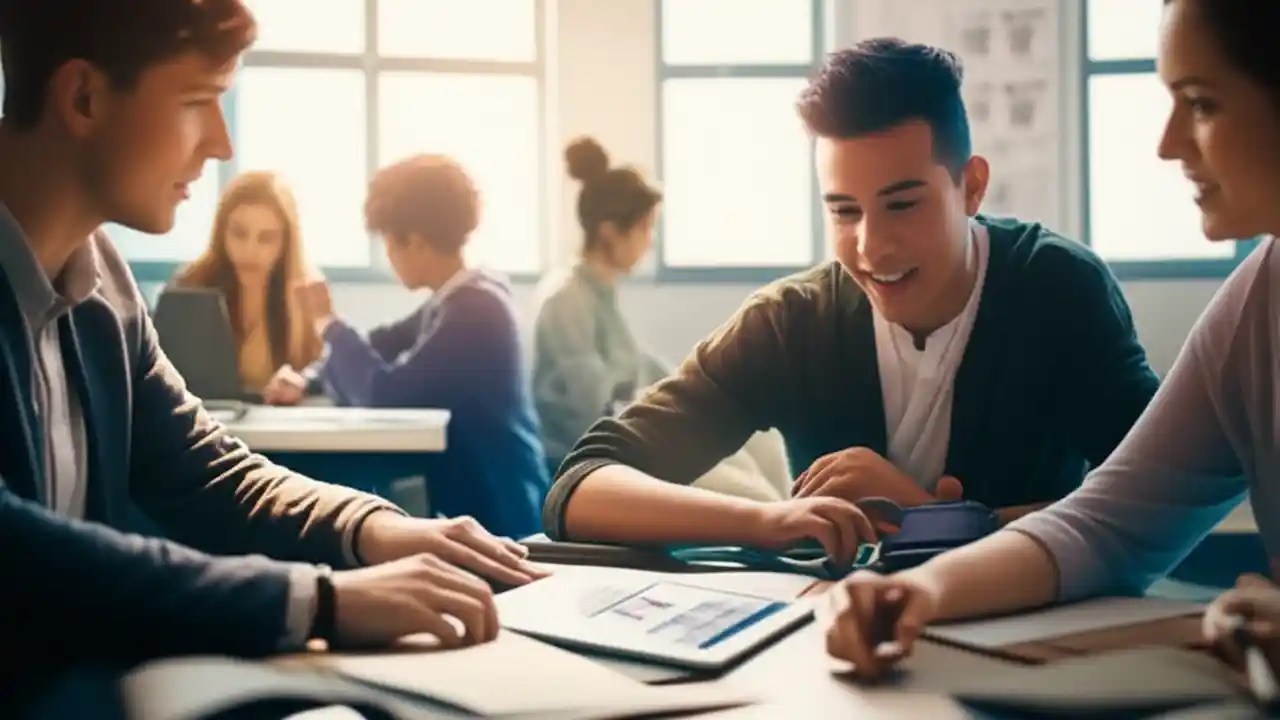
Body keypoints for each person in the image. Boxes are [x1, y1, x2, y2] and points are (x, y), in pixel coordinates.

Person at [0, 0, 546, 686]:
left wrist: (370, 528)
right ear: (83, 97)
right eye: (201, 100)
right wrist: (314, 601)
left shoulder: (104, 279)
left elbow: (206, 469)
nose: (221, 143)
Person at [541, 38, 1161, 564]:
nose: (872, 248)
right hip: (835, 645)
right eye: (843, 211)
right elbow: (581, 487)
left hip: (1022, 633)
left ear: (970, 186)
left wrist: (935, 520)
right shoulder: (792, 320)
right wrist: (768, 521)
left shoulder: (1056, 287)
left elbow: (1157, 495)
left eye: (902, 204)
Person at [823, 0, 1280, 682]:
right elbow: (1105, 524)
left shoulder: (1055, 280)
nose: (1167, 143)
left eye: (1202, 103)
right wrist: (923, 591)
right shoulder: (1257, 300)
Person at [293, 155, 551, 540]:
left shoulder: (475, 309)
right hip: (490, 499)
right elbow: (381, 342)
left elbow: (384, 393)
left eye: (388, 243)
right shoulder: (458, 297)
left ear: (413, 240)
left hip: (503, 513)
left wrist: (326, 323)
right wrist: (307, 379)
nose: (390, 257)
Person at [534, 137, 791, 501]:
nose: (650, 242)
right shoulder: (567, 300)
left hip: (629, 435)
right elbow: (592, 410)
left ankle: (798, 538)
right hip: (595, 459)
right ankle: (788, 536)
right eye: (644, 227)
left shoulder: (600, 293)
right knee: (750, 490)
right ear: (610, 230)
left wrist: (711, 394)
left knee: (761, 439)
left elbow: (650, 368)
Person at [172, 171, 322, 398]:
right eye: (239, 234)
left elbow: (325, 371)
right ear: (222, 233)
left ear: (286, 244)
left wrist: (302, 382)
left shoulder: (305, 295)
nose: (250, 251)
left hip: (277, 426)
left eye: (267, 238)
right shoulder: (191, 286)